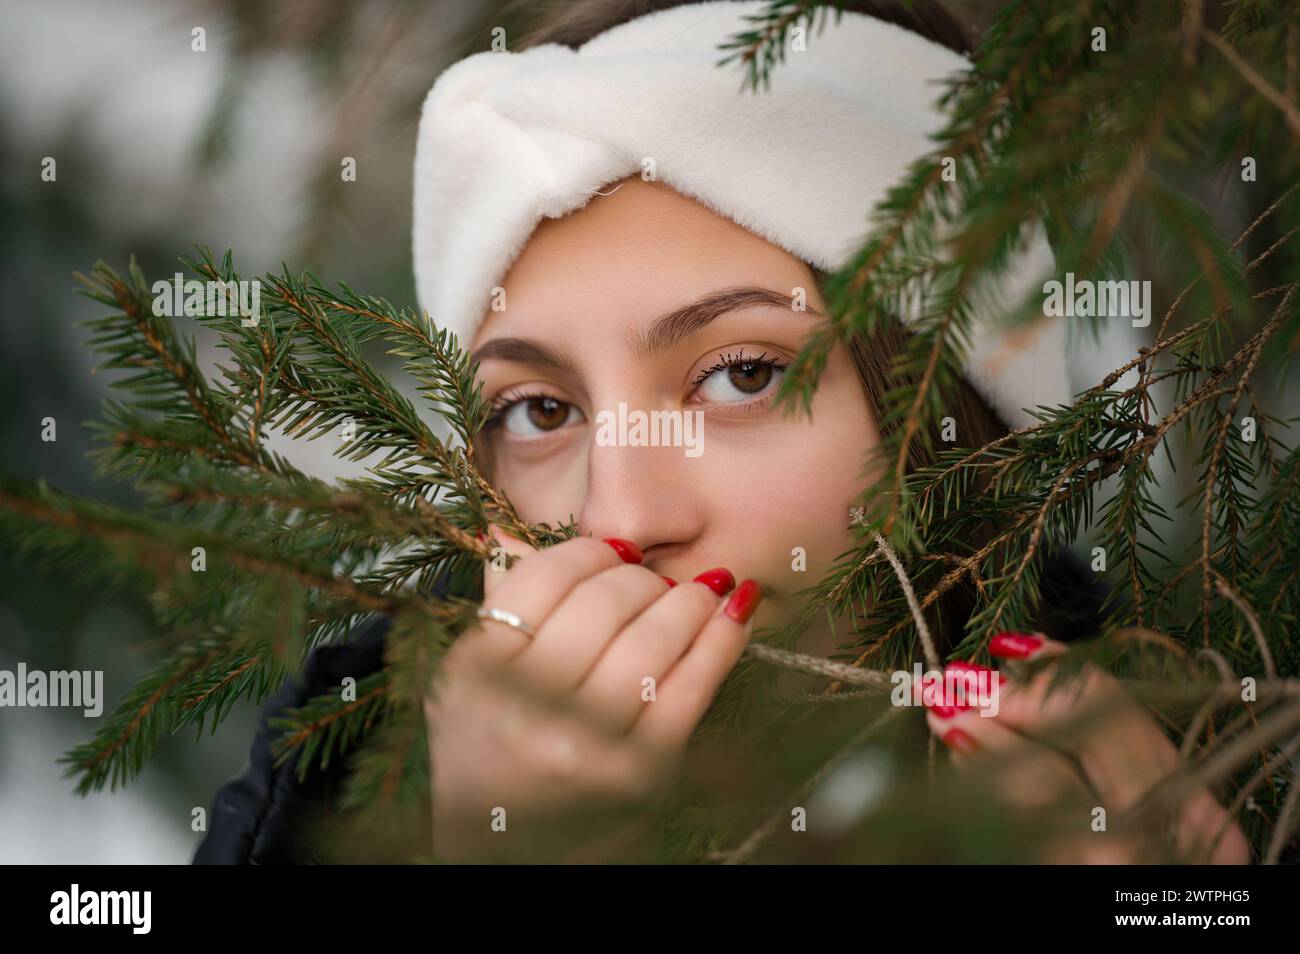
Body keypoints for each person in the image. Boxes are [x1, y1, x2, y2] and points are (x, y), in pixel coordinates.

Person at [194, 0, 1249, 864]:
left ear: (949, 409)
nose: (622, 516)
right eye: (540, 411)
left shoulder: (1216, 773)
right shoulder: (324, 797)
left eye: (742, 375)